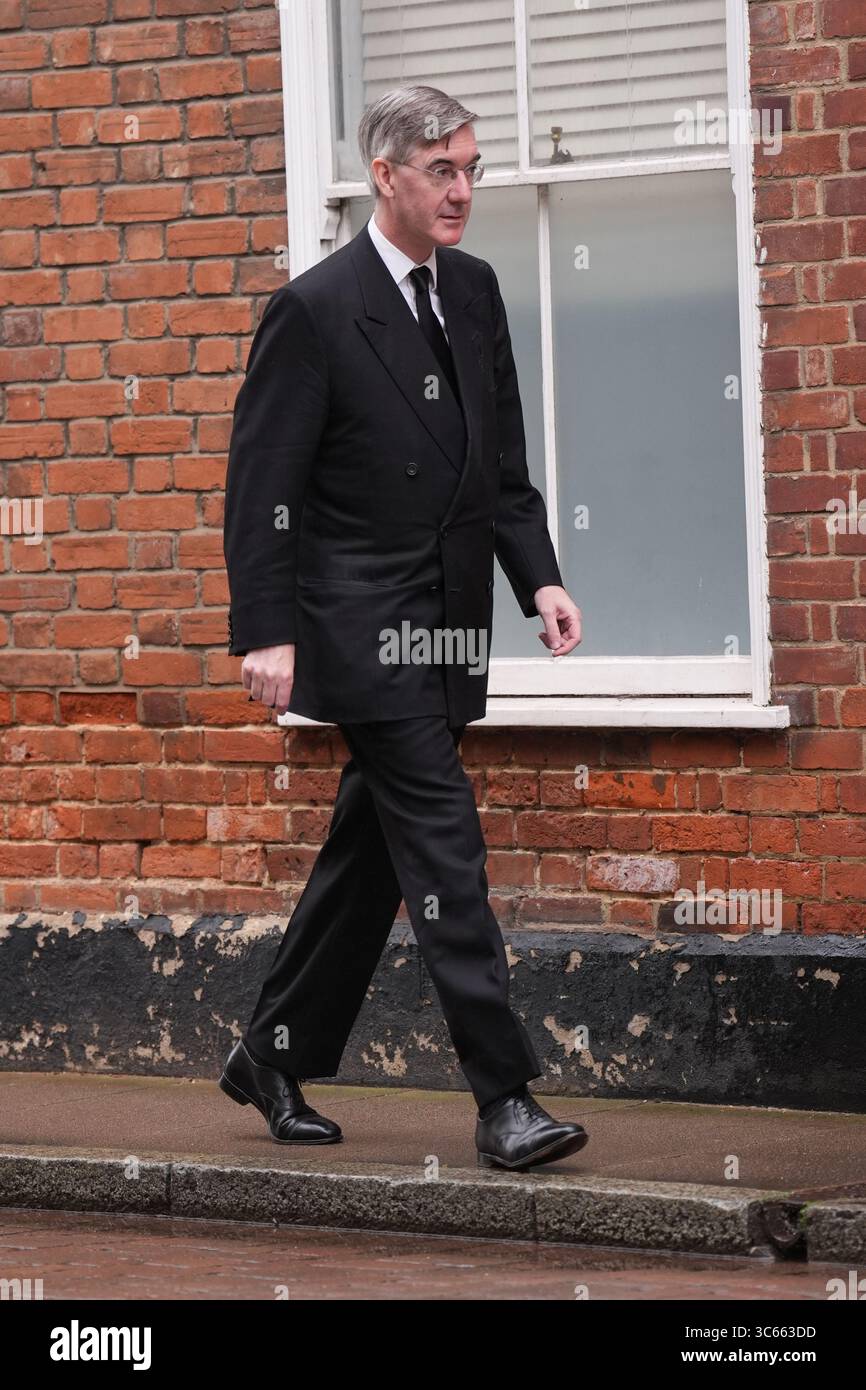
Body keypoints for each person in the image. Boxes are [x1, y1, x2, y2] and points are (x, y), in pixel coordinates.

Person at [219, 84, 587, 1171]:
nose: (463, 189)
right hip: (361, 625)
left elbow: (497, 461)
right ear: (386, 177)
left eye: (471, 167)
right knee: (443, 844)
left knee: (368, 855)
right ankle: (504, 1097)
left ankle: (270, 1052)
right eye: (442, 170)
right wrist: (267, 629)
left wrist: (538, 580)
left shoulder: (471, 292)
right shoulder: (316, 308)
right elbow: (262, 484)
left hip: (451, 619)